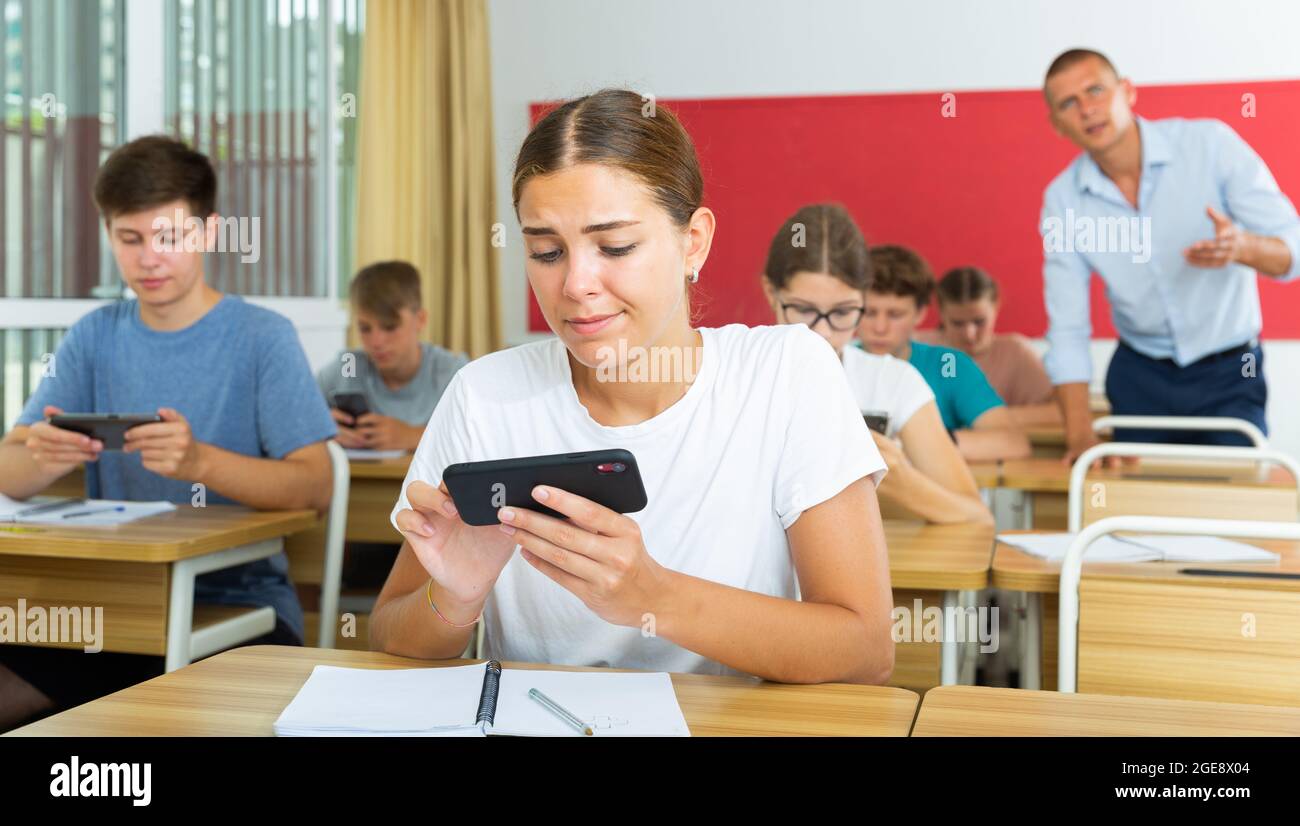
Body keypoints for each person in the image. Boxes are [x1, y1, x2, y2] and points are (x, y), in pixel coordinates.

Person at [370, 89, 895, 684]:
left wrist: (655, 597)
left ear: (693, 241)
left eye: (615, 246)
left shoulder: (787, 372)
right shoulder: (484, 395)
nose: (576, 283)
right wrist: (456, 599)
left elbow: (865, 649)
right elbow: (390, 633)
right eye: (546, 250)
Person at [0, 135, 336, 731]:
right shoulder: (93, 336)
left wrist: (200, 462)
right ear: (109, 235)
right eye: (129, 239)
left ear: (208, 233)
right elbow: (10, 472)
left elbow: (315, 486)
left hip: (238, 607)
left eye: (170, 239)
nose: (148, 259)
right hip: (108, 609)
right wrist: (44, 458)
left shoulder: (262, 338)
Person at [1040, 48, 1300, 460]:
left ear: (1127, 92)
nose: (1087, 109)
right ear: (1057, 125)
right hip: (1139, 374)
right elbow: (1068, 329)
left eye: (1095, 90)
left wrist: (1244, 247)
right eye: (1068, 103)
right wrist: (1079, 436)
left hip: (1232, 371)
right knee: (1135, 512)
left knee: (1233, 503)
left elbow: (1294, 248)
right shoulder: (1062, 200)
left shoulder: (1210, 144)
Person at [762, 204, 991, 525]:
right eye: (803, 310)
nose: (823, 332)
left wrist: (900, 478)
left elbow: (978, 517)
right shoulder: (736, 376)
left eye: (843, 312)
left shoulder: (892, 381)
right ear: (771, 292)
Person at [859, 244, 1031, 462]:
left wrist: (923, 442)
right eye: (869, 312)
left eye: (895, 314)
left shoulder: (948, 365)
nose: (880, 327)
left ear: (920, 313)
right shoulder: (832, 363)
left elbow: (1012, 442)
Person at [318, 260, 468, 452]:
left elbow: (486, 438)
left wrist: (415, 436)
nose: (376, 342)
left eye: (390, 327)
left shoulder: (454, 374)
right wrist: (319, 431)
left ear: (420, 320)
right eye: (365, 328)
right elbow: (287, 423)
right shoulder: (347, 367)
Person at [922, 266, 1061, 427]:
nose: (969, 334)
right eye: (957, 323)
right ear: (941, 313)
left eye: (979, 321)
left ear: (996, 306)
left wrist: (984, 415)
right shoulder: (920, 349)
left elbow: (1058, 412)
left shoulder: (1016, 352)